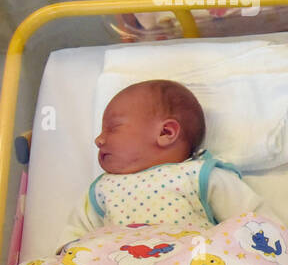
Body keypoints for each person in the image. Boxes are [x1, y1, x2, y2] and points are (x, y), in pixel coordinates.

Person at [58, 80, 264, 244]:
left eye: (112, 128)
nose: (99, 140)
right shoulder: (102, 190)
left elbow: (255, 220)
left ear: (166, 133)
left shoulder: (198, 176)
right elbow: (74, 241)